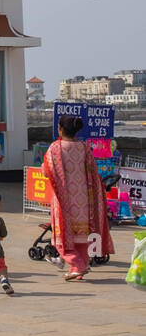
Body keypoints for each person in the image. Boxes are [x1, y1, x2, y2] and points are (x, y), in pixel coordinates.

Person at [41, 115, 115, 281]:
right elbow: (93, 172)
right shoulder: (84, 147)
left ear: (60, 129)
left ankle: (79, 265)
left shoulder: (55, 148)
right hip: (85, 201)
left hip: (64, 201)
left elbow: (47, 171)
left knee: (62, 239)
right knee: (81, 238)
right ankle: (77, 269)